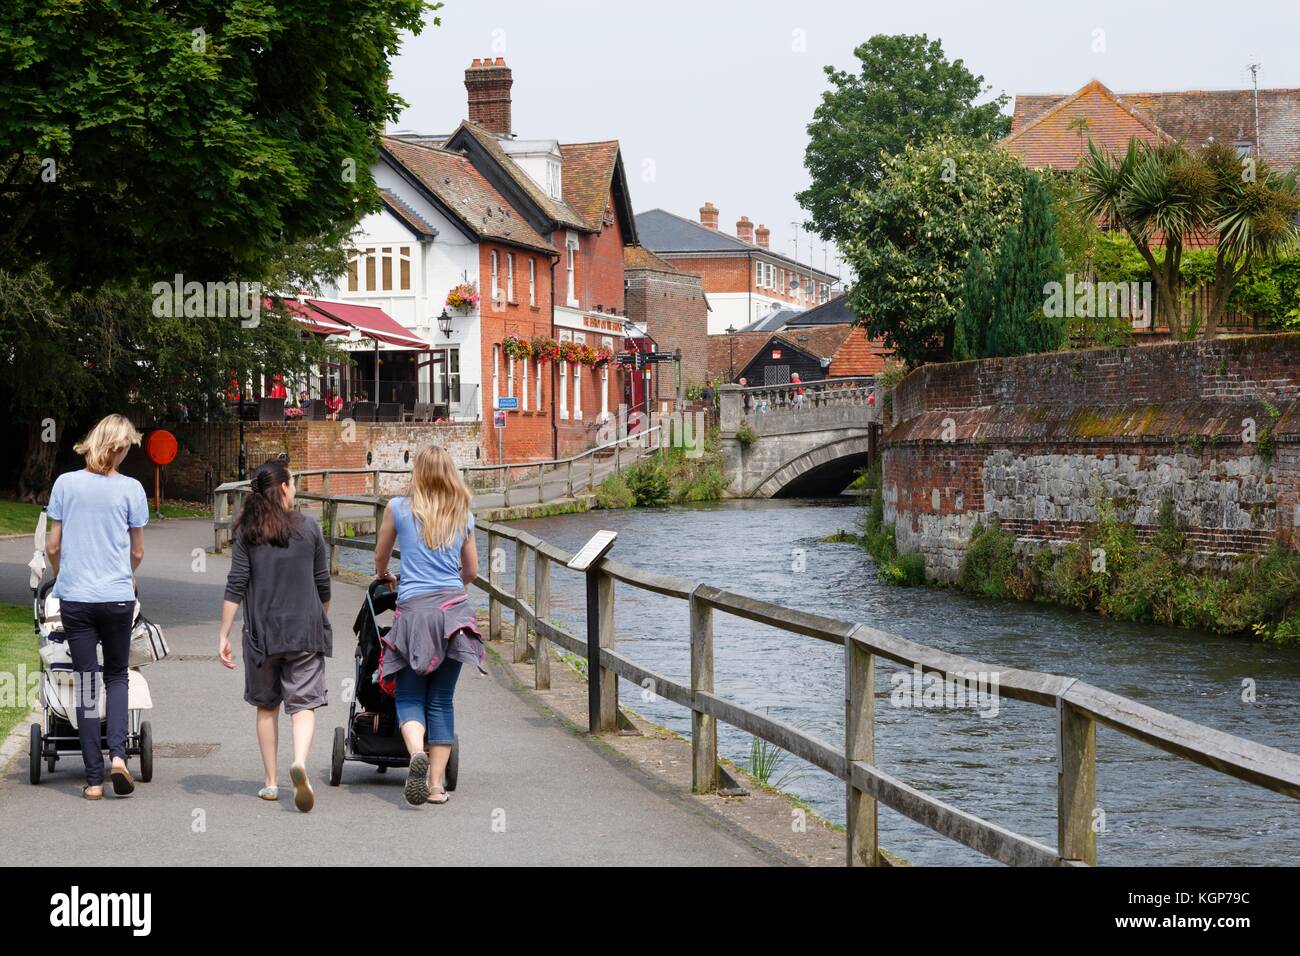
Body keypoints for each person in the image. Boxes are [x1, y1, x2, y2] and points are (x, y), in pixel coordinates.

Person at [44, 414, 149, 800]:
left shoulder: (65, 485)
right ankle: (118, 757)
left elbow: (53, 546)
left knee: (87, 681)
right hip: (118, 596)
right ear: (118, 448)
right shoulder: (132, 490)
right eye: (125, 448)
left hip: (76, 597)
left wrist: (61, 576)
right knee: (117, 676)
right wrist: (127, 573)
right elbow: (137, 550)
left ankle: (92, 780)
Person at [218, 459, 332, 812]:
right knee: (304, 704)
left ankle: (270, 783)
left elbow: (235, 585)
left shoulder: (247, 532)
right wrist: (321, 618)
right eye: (293, 482)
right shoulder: (309, 528)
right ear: (283, 487)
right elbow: (322, 583)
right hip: (303, 631)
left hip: (261, 636)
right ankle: (298, 762)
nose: (295, 488)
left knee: (267, 706)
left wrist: (222, 634)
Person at [373, 446, 482, 807]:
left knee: (407, 695)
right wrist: (451, 590)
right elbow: (471, 572)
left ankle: (415, 753)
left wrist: (385, 577)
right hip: (454, 613)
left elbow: (380, 555)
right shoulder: (462, 512)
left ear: (417, 473)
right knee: (441, 700)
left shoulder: (398, 508)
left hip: (414, 615)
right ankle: (435, 786)